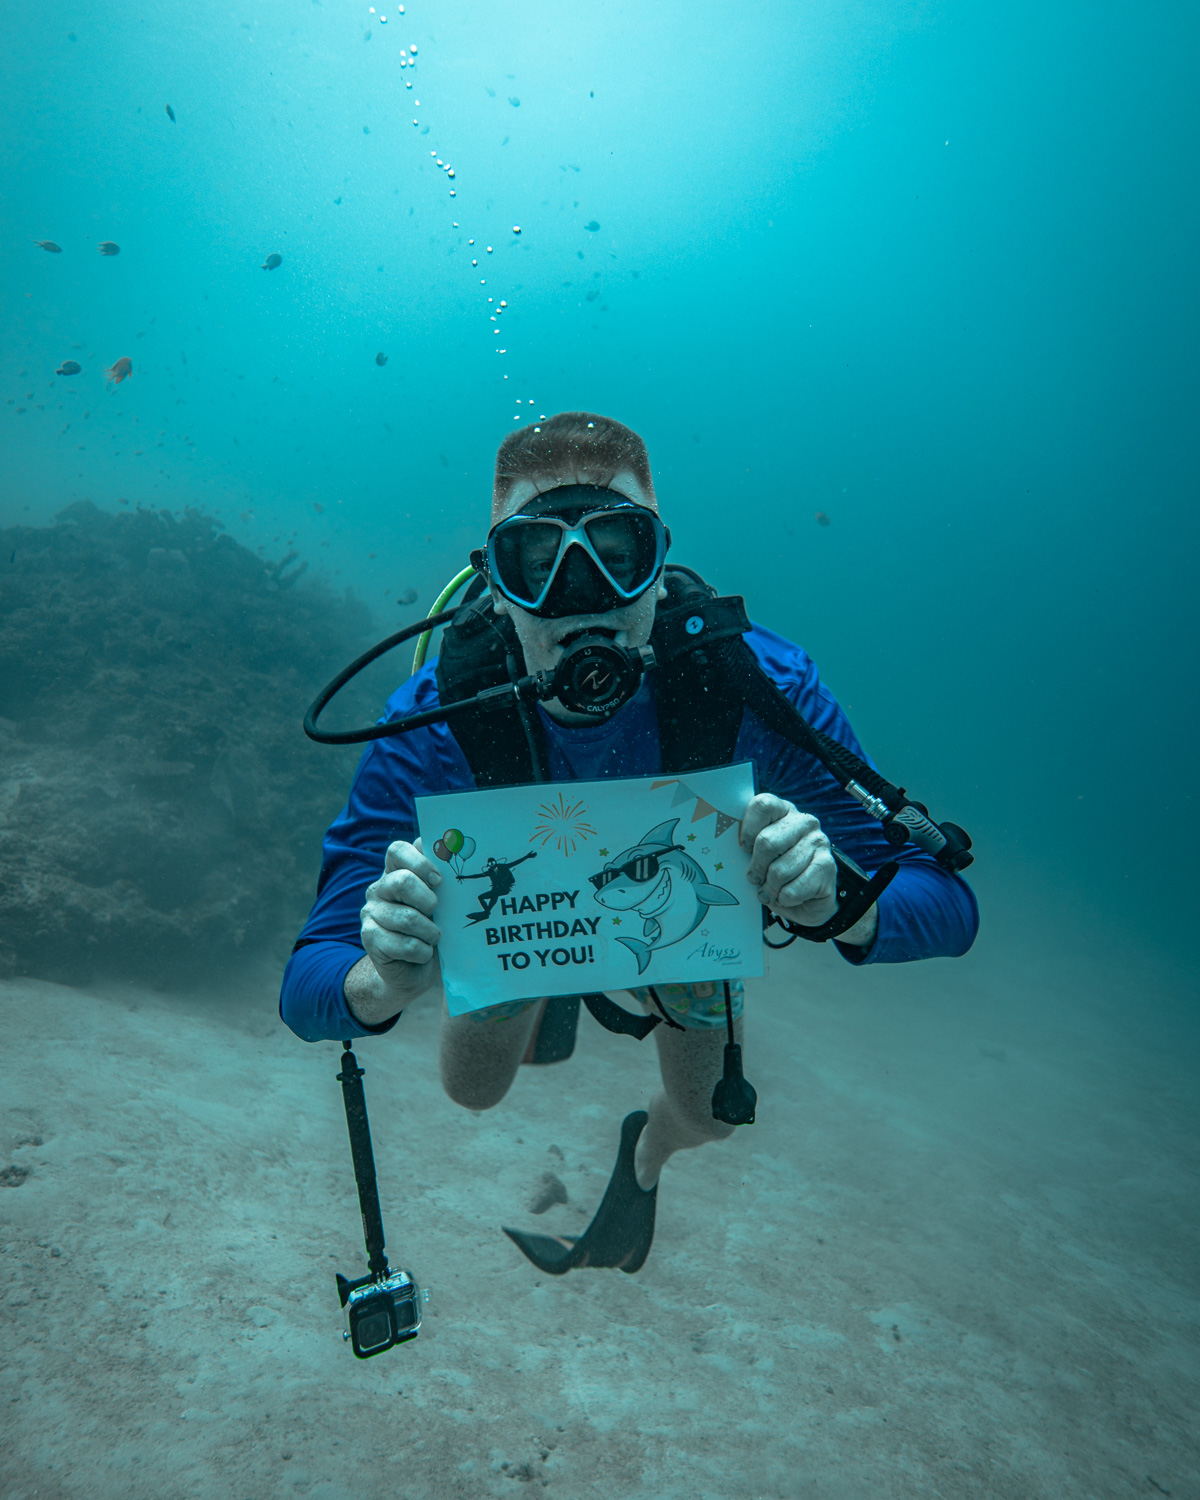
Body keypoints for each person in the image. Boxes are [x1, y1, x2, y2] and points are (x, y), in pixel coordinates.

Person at [280, 412, 978, 1274]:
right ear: (496, 586)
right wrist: (378, 980)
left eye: (619, 550)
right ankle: (556, 984)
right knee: (472, 1090)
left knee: (710, 1116)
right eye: (538, 562)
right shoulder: (439, 719)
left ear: (659, 568)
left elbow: (949, 903)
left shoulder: (751, 684)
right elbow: (307, 980)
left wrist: (844, 906)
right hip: (523, 914)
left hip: (677, 911)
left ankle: (642, 1158)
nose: (586, 596)